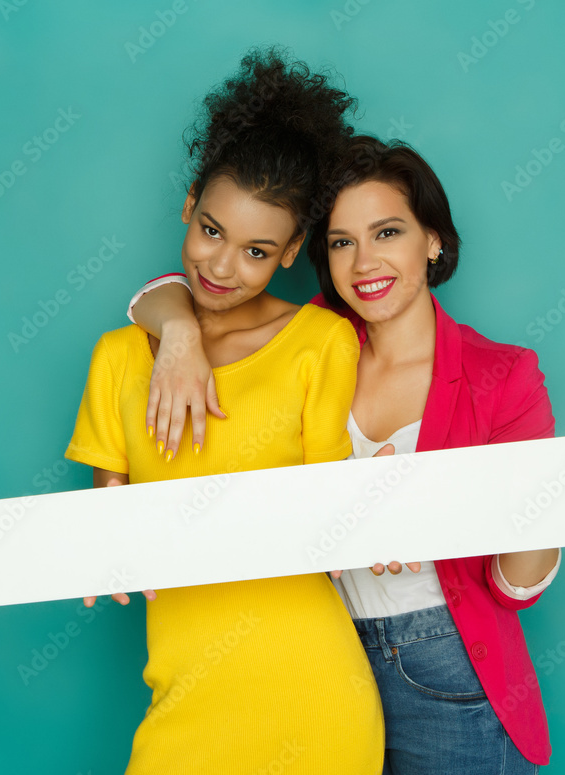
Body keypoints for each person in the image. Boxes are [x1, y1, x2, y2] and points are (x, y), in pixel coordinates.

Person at [127, 136, 565, 773]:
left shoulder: (502, 375)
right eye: (342, 241)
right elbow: (184, 288)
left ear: (432, 240)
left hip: (447, 672)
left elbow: (513, 590)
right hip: (312, 660)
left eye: (387, 232)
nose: (364, 261)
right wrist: (177, 332)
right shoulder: (305, 340)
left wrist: (544, 505)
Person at [64, 52, 384, 774]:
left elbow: (327, 517)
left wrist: (376, 501)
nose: (221, 266)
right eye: (211, 230)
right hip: (183, 695)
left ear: (292, 252)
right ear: (188, 205)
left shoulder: (322, 343)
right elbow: (107, 526)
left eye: (257, 250)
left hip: (315, 691)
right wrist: (176, 333)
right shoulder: (120, 357)